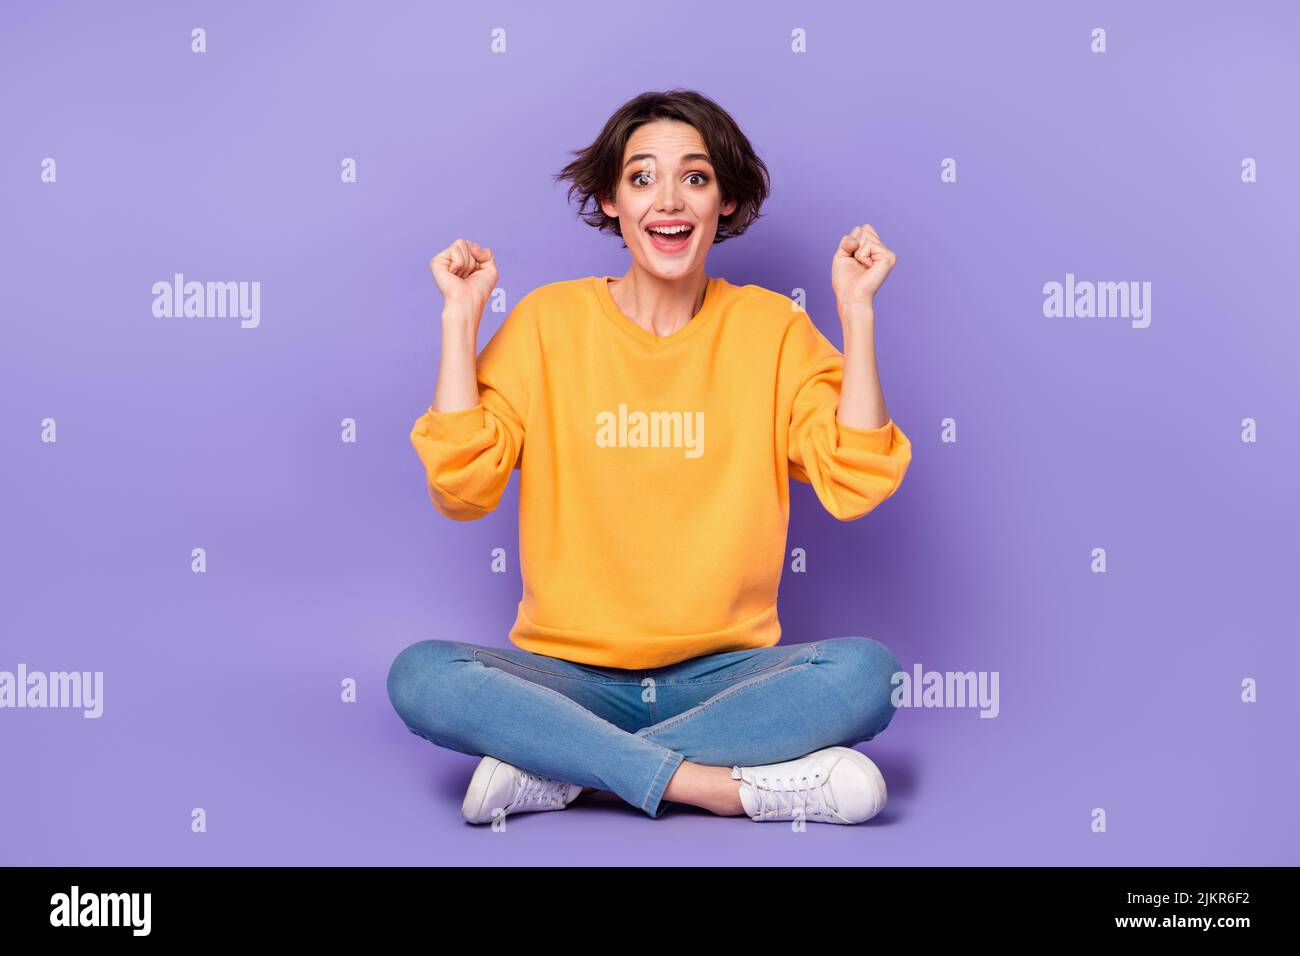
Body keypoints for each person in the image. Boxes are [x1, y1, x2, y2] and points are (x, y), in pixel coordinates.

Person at [387, 89, 913, 826]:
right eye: (642, 177)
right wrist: (458, 322)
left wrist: (857, 315)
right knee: (421, 675)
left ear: (725, 201)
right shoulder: (547, 322)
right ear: (610, 199)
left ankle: (565, 768)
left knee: (868, 676)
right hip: (567, 676)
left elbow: (856, 482)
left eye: (695, 177)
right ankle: (721, 789)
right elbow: (462, 486)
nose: (669, 199)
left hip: (725, 676)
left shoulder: (773, 330)